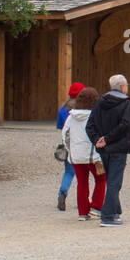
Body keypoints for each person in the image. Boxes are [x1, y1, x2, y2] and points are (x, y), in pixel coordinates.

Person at [86, 73, 130, 227]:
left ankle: (115, 211)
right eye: (126, 85)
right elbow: (126, 124)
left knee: (111, 180)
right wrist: (107, 139)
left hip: (104, 148)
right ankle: (107, 216)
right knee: (115, 182)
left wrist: (97, 140)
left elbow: (90, 125)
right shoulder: (126, 103)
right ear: (122, 87)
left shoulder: (100, 101)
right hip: (118, 146)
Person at [62, 86, 105, 220]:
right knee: (101, 179)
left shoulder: (71, 117)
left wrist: (71, 150)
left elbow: (65, 135)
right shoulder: (96, 116)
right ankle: (96, 207)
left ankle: (83, 212)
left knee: (82, 182)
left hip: (76, 156)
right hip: (94, 156)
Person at [55, 81, 83, 210]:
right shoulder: (85, 110)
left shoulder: (63, 109)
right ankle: (83, 199)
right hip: (83, 144)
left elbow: (61, 127)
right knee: (84, 174)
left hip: (68, 145)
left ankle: (63, 193)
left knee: (68, 172)